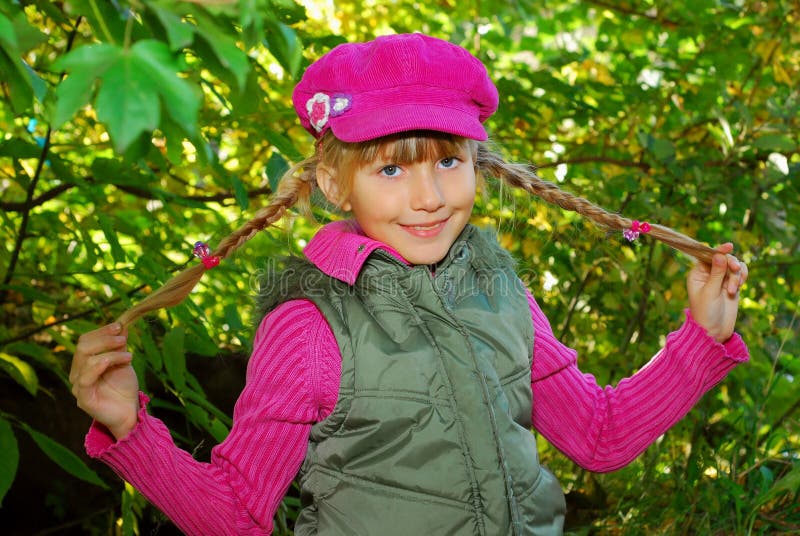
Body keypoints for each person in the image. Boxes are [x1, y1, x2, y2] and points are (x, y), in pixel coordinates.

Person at [70, 33, 749, 535]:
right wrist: (132, 430)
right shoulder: (310, 326)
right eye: (391, 170)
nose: (429, 196)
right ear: (335, 182)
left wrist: (701, 339)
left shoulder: (500, 292)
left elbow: (599, 435)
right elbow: (240, 514)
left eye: (449, 161)